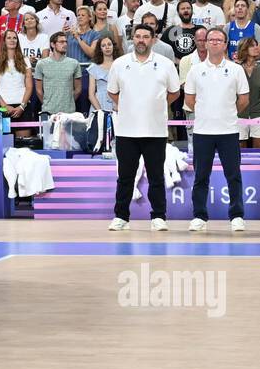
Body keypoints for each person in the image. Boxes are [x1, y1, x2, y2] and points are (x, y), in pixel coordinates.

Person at [106, 23, 182, 230]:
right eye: (137, 36)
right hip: (127, 131)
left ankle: (158, 217)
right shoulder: (120, 64)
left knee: (156, 176)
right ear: (132, 39)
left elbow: (174, 92)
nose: (141, 40)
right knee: (125, 177)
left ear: (153, 39)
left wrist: (157, 104)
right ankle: (121, 217)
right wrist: (130, 106)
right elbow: (112, 92)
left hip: (155, 130)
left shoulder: (166, 64)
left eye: (145, 37)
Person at [183, 27, 249, 232]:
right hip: (203, 131)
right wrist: (207, 113)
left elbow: (244, 99)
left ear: (225, 44)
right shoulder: (195, 70)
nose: (214, 42)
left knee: (233, 175)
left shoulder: (236, 69)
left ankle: (237, 216)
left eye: (218, 40)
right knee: (201, 176)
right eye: (210, 39)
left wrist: (226, 113)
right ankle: (199, 216)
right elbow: (190, 100)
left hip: (228, 131)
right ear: (205, 43)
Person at [32, 32, 83, 117]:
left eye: (66, 42)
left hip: (69, 113)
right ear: (52, 44)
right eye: (61, 42)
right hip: (47, 112)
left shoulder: (74, 63)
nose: (65, 44)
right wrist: (47, 103)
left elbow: (78, 89)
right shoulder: (41, 64)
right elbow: (38, 90)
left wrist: (68, 102)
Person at [236, 37, 260, 149]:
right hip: (239, 113)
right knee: (239, 147)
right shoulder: (235, 69)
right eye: (252, 45)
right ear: (244, 49)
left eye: (257, 45)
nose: (256, 48)